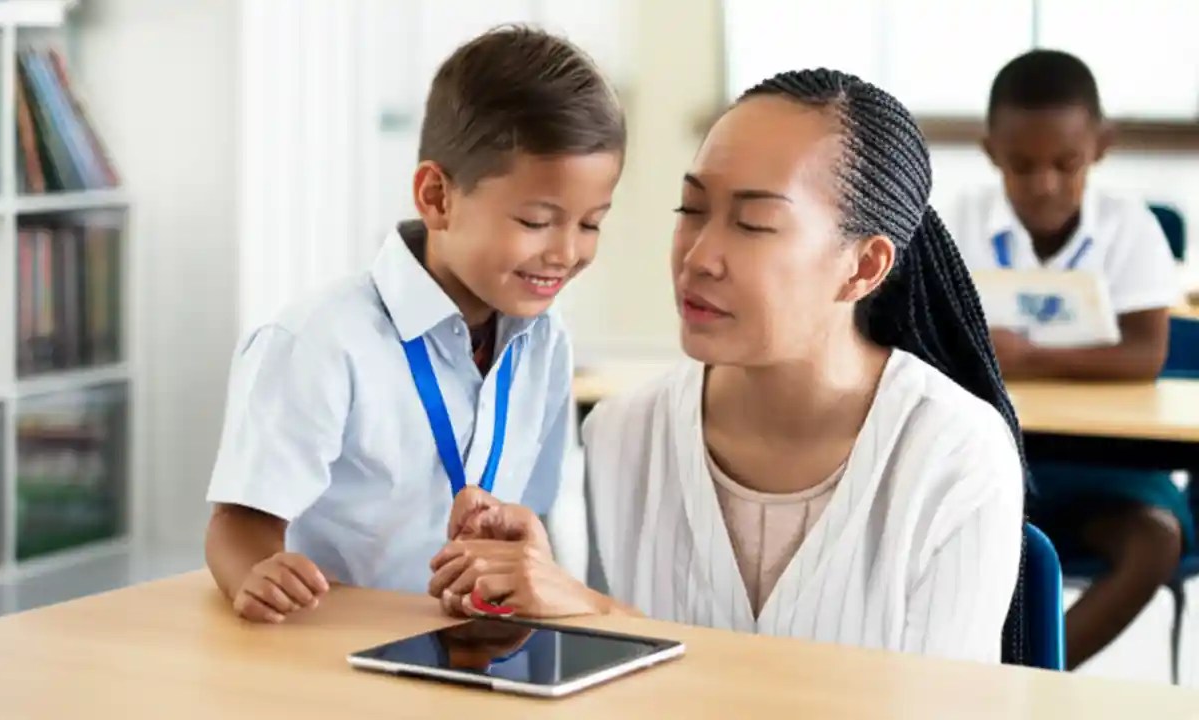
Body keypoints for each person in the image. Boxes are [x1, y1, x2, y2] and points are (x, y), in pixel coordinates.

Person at [430, 69, 1026, 663]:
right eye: (691, 209)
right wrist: (525, 621)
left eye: (753, 224)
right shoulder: (623, 434)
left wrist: (600, 615)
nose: (698, 255)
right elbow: (615, 694)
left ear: (863, 267)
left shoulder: (955, 456)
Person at [203, 26, 625, 623]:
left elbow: (531, 518)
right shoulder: (320, 342)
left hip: (473, 647)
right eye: (537, 220)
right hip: (332, 658)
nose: (566, 252)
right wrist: (257, 574)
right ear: (437, 197)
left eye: (591, 224)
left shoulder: (545, 342)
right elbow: (239, 522)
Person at [947, 49, 1189, 668]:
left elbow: (1144, 354)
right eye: (1022, 166)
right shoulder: (957, 224)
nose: (1044, 183)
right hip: (992, 455)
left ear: (1101, 146)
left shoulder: (1131, 227)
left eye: (1066, 163)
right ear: (990, 149)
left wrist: (1023, 356)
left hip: (1106, 465)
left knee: (1155, 539)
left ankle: (1026, 683)